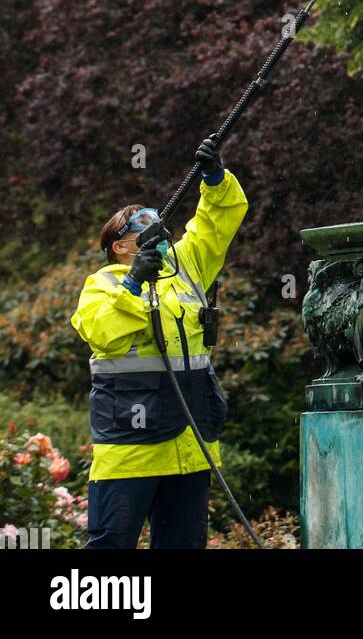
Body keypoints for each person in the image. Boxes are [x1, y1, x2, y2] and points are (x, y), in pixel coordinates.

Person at [71, 134, 248, 549]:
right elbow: (100, 331)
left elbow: (216, 223)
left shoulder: (185, 267)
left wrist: (215, 177)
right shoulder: (103, 284)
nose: (159, 229)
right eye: (144, 226)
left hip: (191, 446)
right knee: (111, 546)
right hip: (130, 451)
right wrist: (134, 282)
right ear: (120, 246)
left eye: (159, 221)